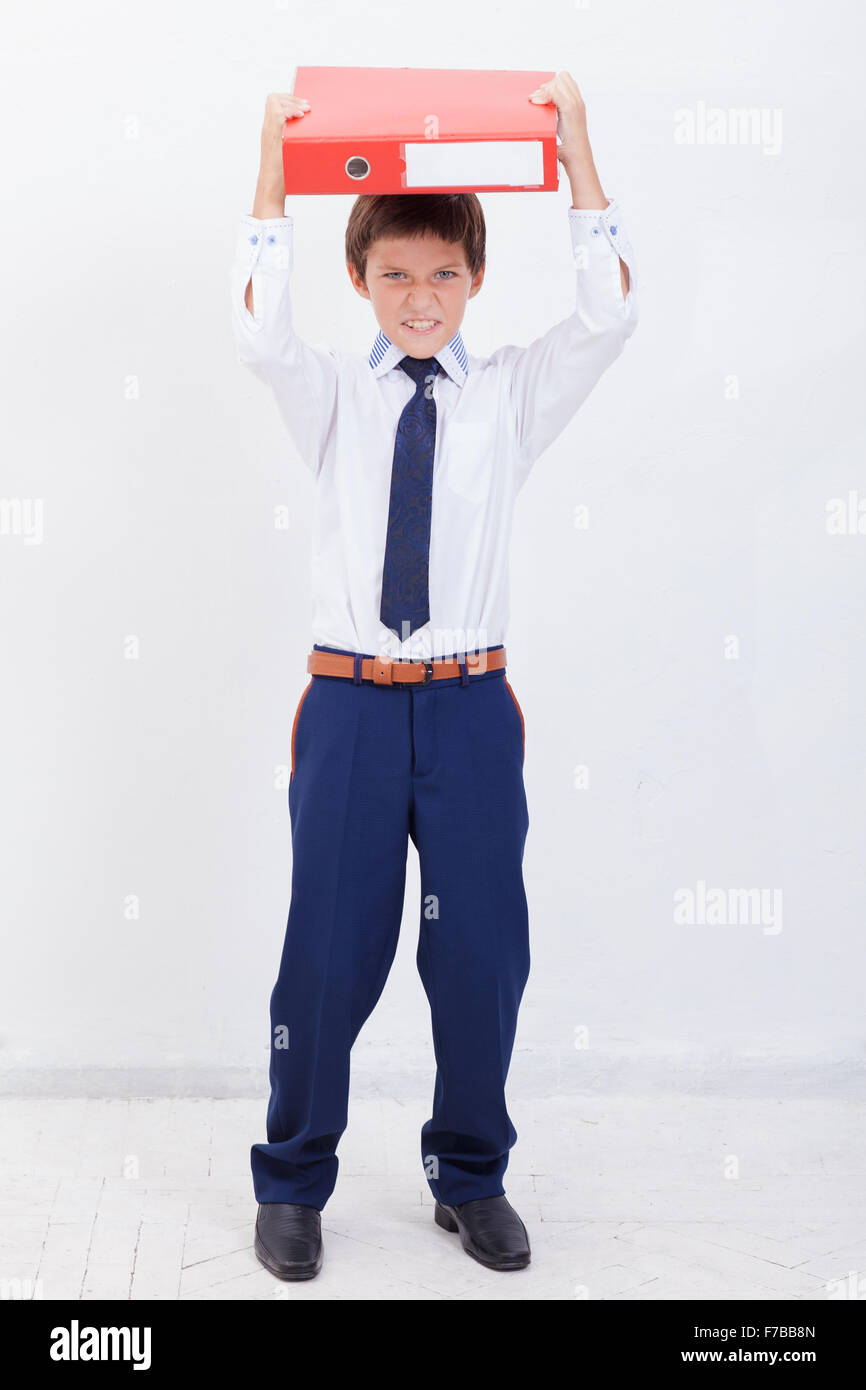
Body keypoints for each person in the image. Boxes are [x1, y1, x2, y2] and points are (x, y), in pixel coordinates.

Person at [230, 71, 638, 1280]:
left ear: (474, 281)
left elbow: (610, 317)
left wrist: (577, 149)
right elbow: (255, 326)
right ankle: (294, 1179)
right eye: (396, 274)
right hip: (351, 708)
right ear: (359, 279)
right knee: (328, 949)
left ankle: (470, 1173)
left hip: (466, 708)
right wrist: (271, 153)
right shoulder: (335, 396)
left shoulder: (507, 397)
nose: (421, 297)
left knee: (479, 953)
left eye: (444, 275)